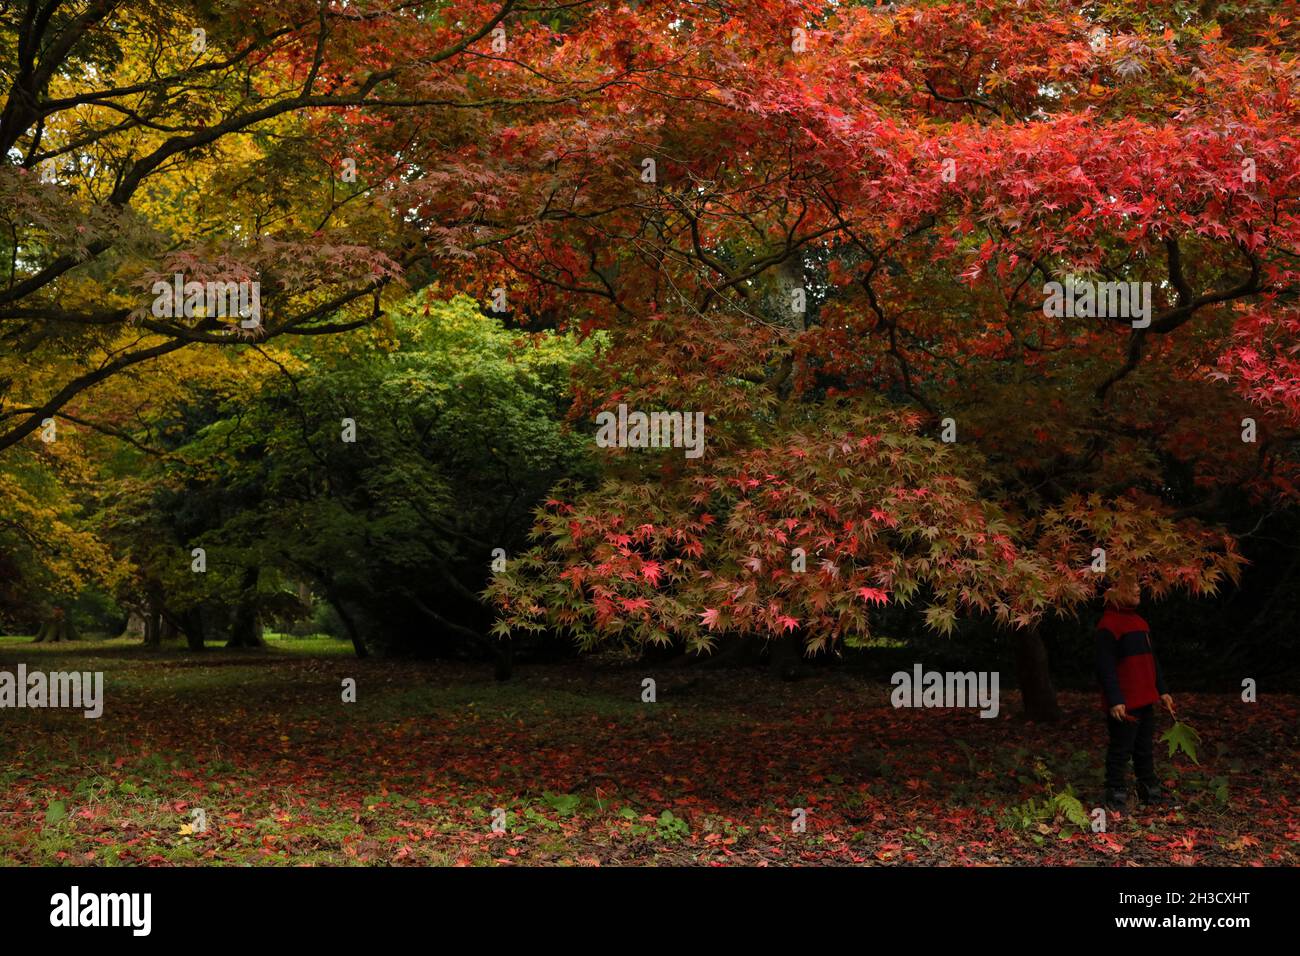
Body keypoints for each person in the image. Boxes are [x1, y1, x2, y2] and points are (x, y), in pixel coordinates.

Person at [1095, 580, 1175, 810]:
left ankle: (1148, 786)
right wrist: (1115, 699)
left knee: (1144, 746)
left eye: (1138, 584)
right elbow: (1105, 667)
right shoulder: (1108, 626)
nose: (1137, 588)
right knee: (1121, 748)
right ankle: (1115, 790)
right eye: (1129, 585)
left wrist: (1163, 690)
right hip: (1125, 702)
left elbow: (1152, 661)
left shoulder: (1140, 622)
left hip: (1145, 697)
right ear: (1112, 593)